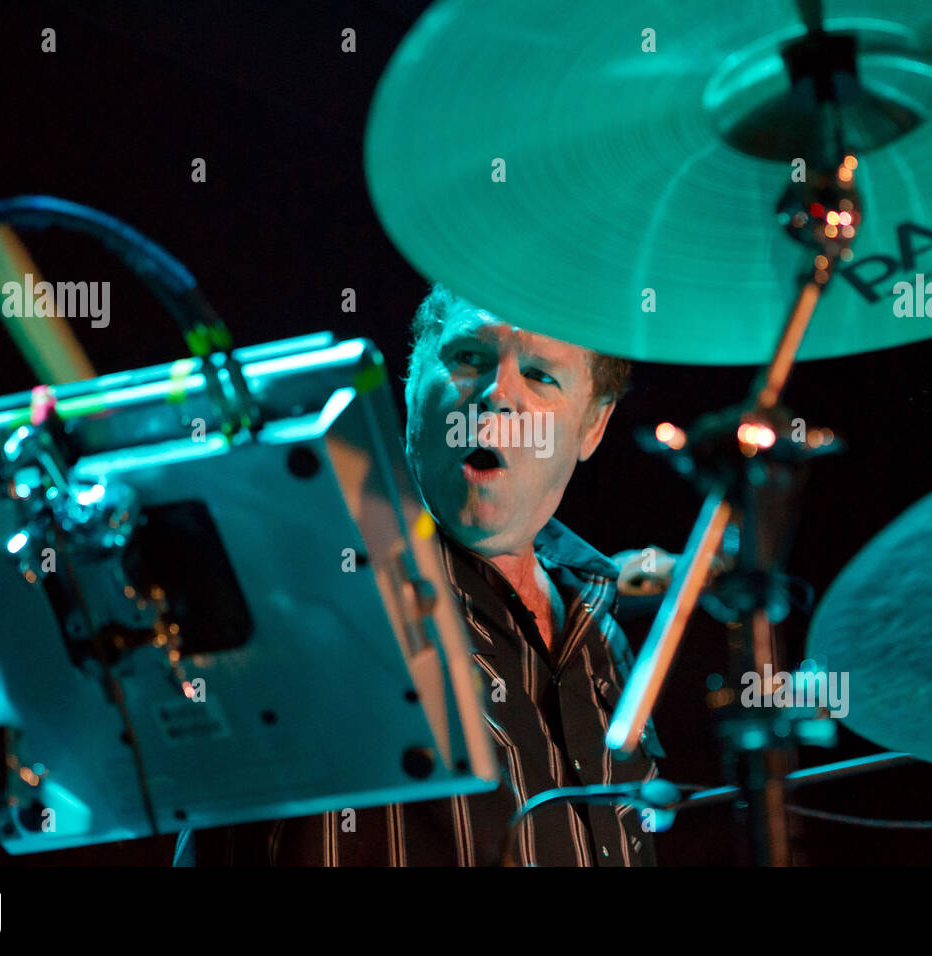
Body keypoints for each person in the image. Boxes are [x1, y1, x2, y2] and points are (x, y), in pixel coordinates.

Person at [179, 283, 664, 866]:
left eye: (540, 375)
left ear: (593, 426)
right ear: (411, 382)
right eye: (468, 358)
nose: (497, 394)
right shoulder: (324, 582)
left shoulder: (602, 634)